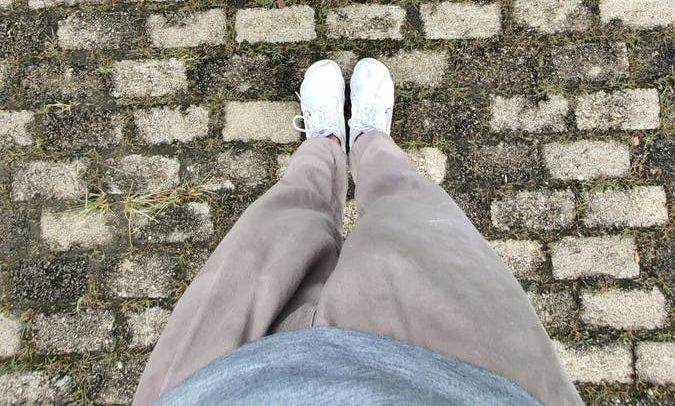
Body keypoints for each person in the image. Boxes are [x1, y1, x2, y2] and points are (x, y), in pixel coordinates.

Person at [133, 58, 582, 405]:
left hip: (215, 383)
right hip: (467, 377)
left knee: (286, 217)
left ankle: (327, 143)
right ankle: (368, 140)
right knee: (406, 212)